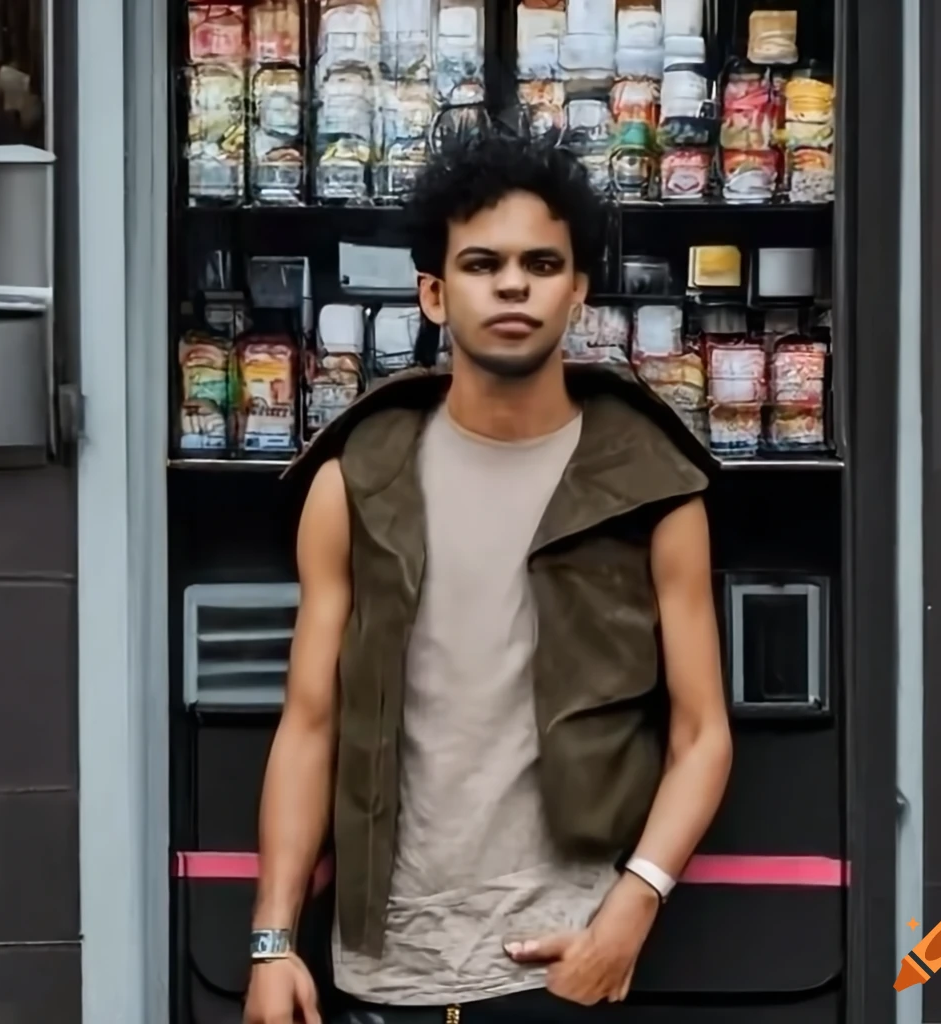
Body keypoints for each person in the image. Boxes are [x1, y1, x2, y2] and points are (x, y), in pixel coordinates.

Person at [243, 133, 733, 1024]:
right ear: (435, 292)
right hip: (385, 969)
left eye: (543, 263)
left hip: (561, 963)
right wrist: (273, 942)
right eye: (483, 263)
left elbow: (703, 736)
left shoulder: (652, 484)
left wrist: (631, 909)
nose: (513, 284)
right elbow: (310, 723)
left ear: (578, 290)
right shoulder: (354, 480)